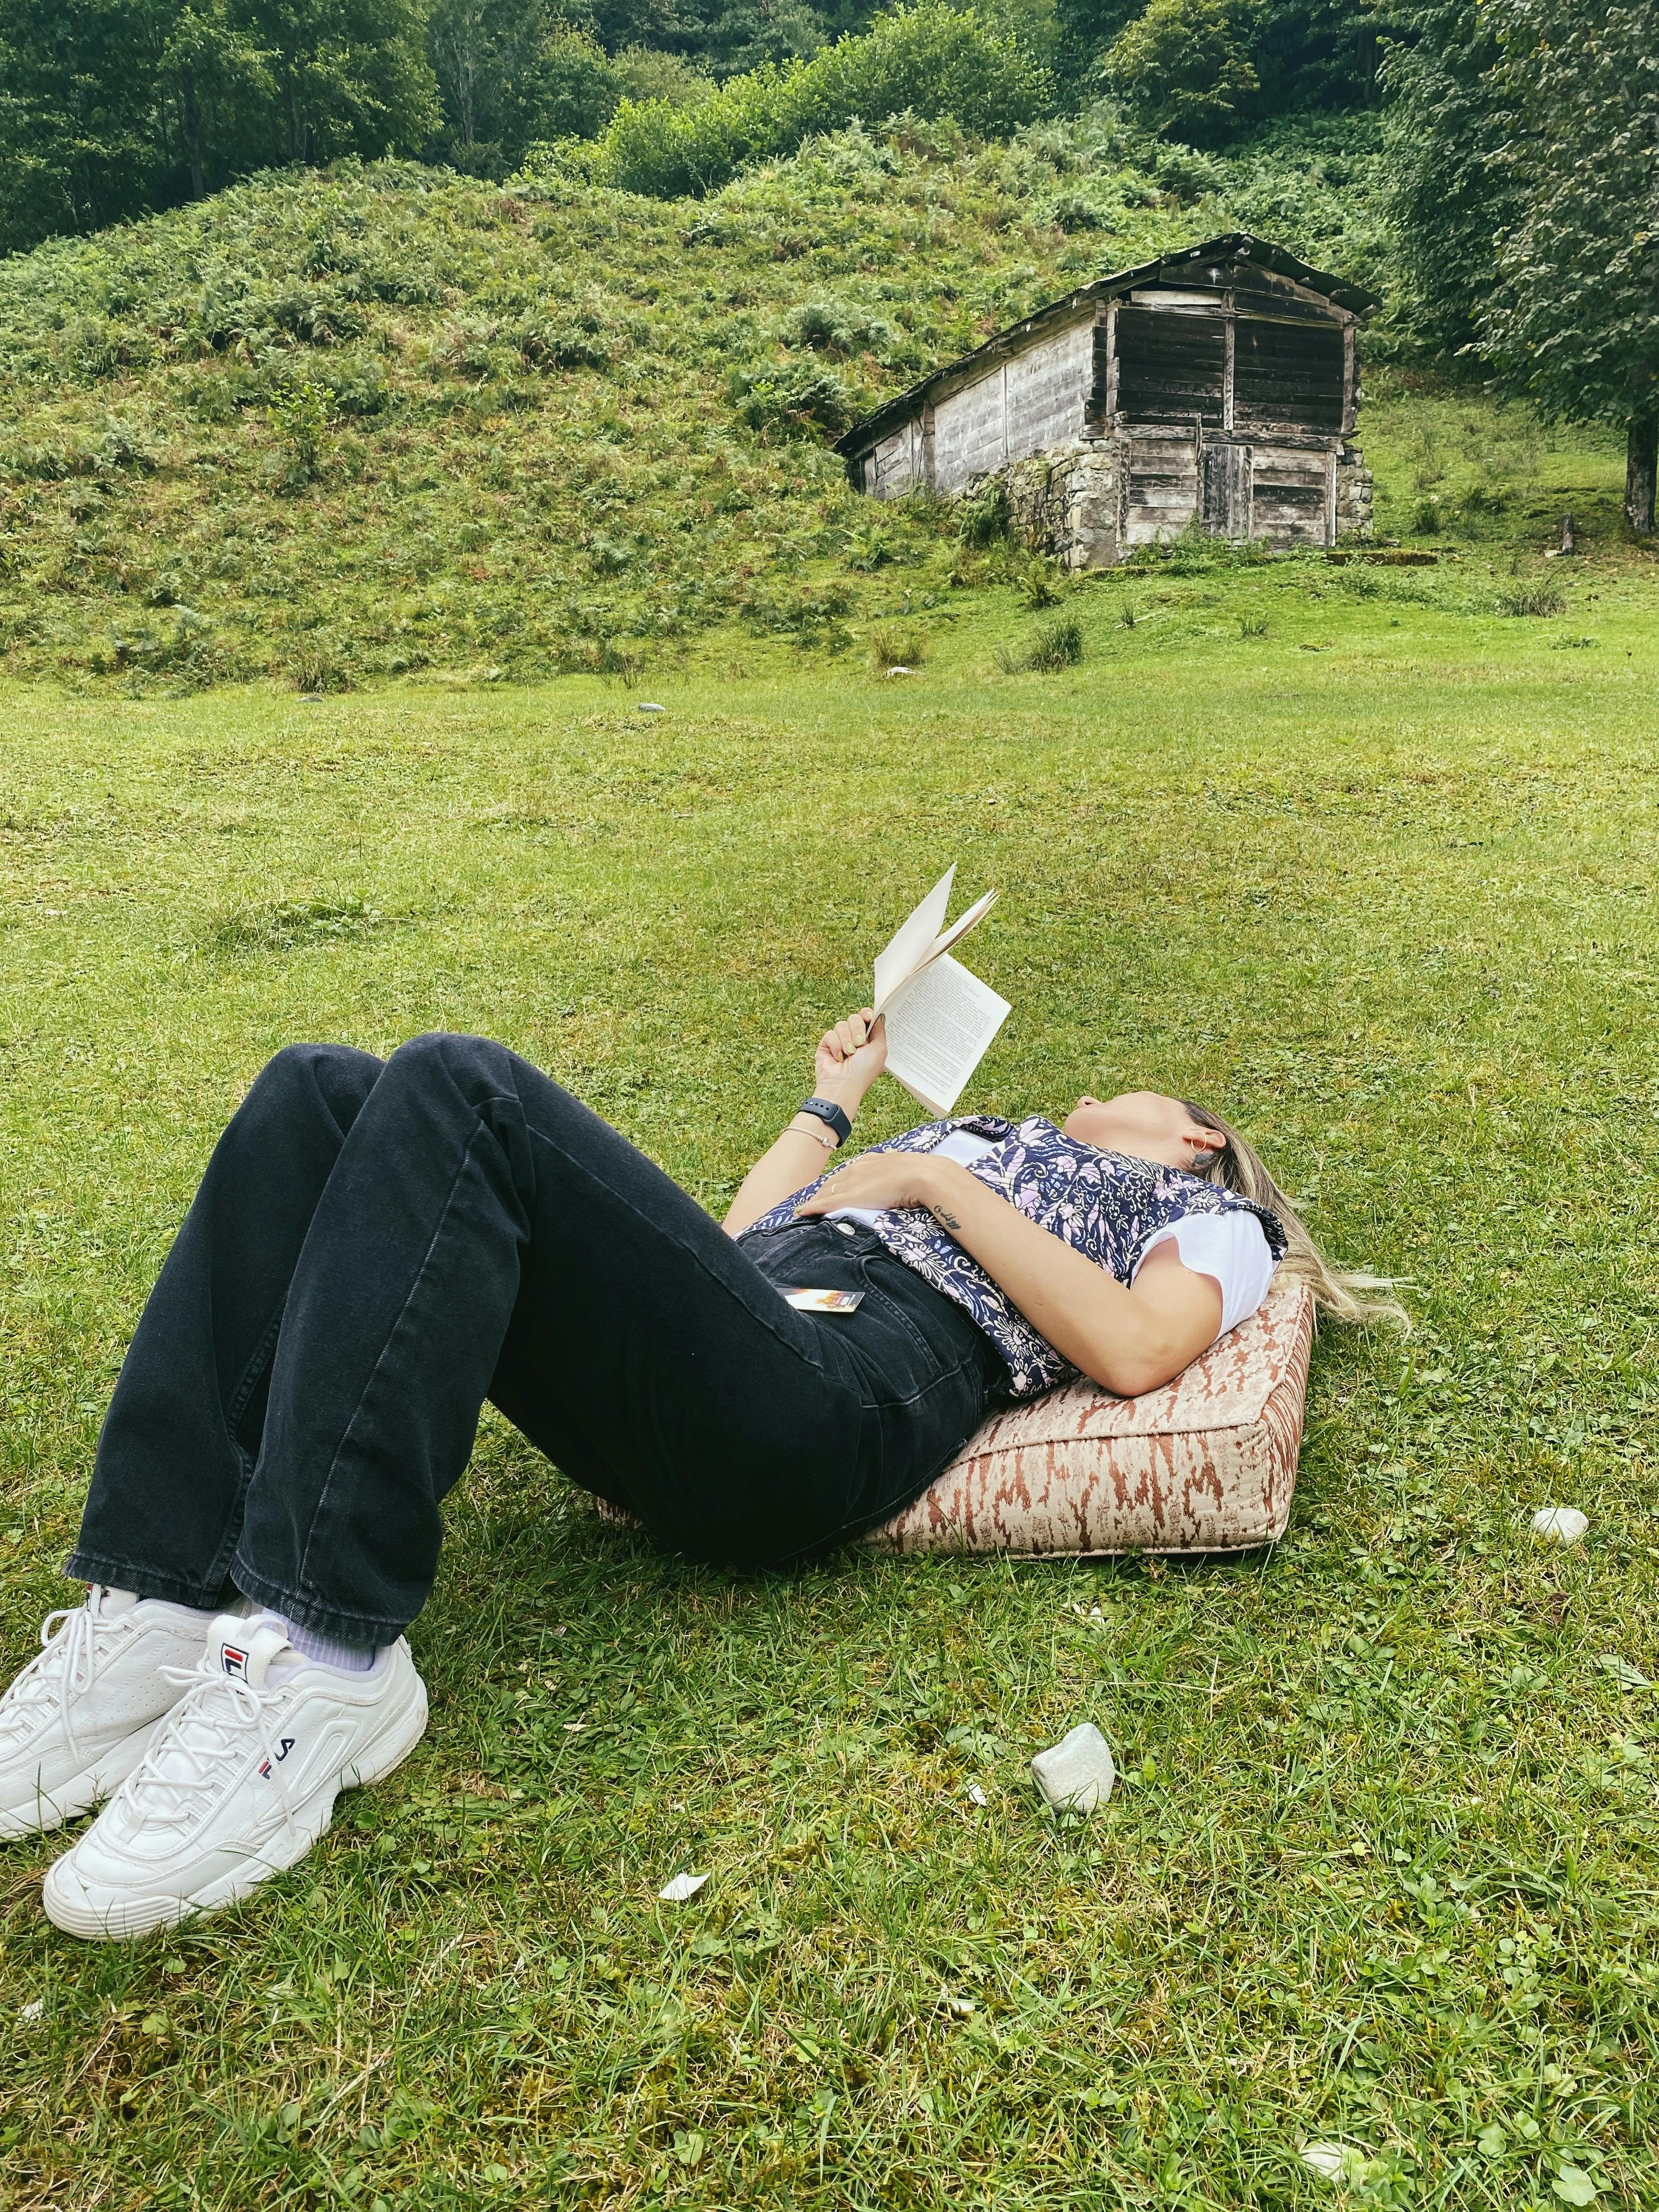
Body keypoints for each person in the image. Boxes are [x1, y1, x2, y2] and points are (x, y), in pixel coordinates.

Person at [0, 1015, 1393, 1938]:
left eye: (1139, 1089)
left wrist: (931, 1190)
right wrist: (833, 1104)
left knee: (459, 1082)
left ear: (1198, 1135)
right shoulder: (996, 1139)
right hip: (747, 1344)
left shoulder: (1202, 1215)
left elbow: (1147, 1350)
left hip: (838, 1412)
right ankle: (163, 1605)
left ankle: (326, 1661)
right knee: (321, 1088)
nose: (1098, 1086)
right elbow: (736, 1241)